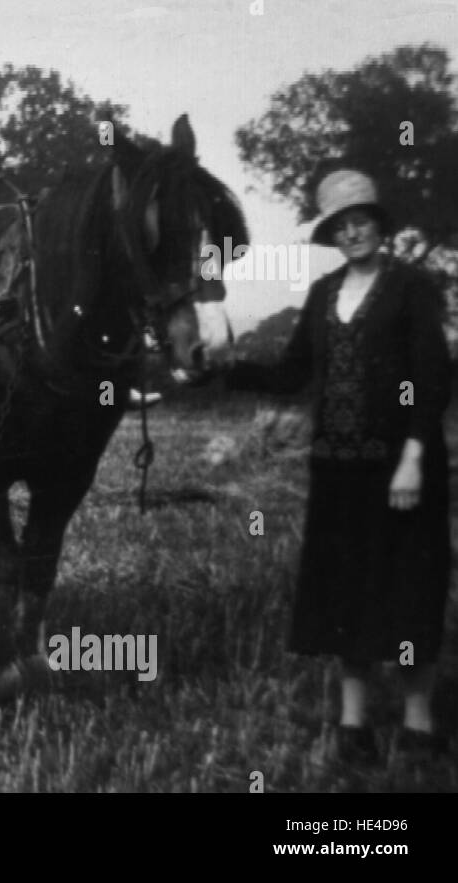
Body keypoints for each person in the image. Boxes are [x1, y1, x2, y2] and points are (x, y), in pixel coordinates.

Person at [224, 169, 452, 764]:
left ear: (380, 224)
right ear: (332, 234)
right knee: (346, 593)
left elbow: (429, 381)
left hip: (401, 471)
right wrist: (224, 368)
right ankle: (353, 725)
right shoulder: (325, 294)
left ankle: (419, 723)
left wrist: (412, 460)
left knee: (408, 591)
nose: (353, 231)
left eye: (362, 220)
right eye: (341, 224)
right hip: (336, 471)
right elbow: (291, 372)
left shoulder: (412, 288)